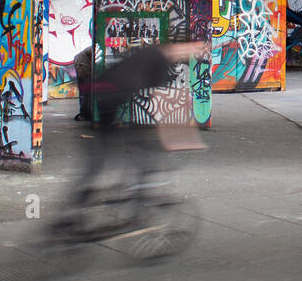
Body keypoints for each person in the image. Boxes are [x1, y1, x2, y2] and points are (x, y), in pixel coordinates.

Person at [66, 41, 208, 219]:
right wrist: (174, 140)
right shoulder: (161, 60)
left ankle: (90, 195)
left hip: (107, 92)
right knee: (133, 150)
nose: (185, 56)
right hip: (111, 95)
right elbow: (160, 104)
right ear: (178, 47)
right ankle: (117, 197)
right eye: (187, 50)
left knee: (113, 149)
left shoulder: (153, 53)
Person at [73, 45, 94, 121]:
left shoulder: (90, 49)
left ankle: (84, 112)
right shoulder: (92, 49)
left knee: (84, 93)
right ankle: (86, 113)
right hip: (83, 68)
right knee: (87, 93)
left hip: (81, 67)